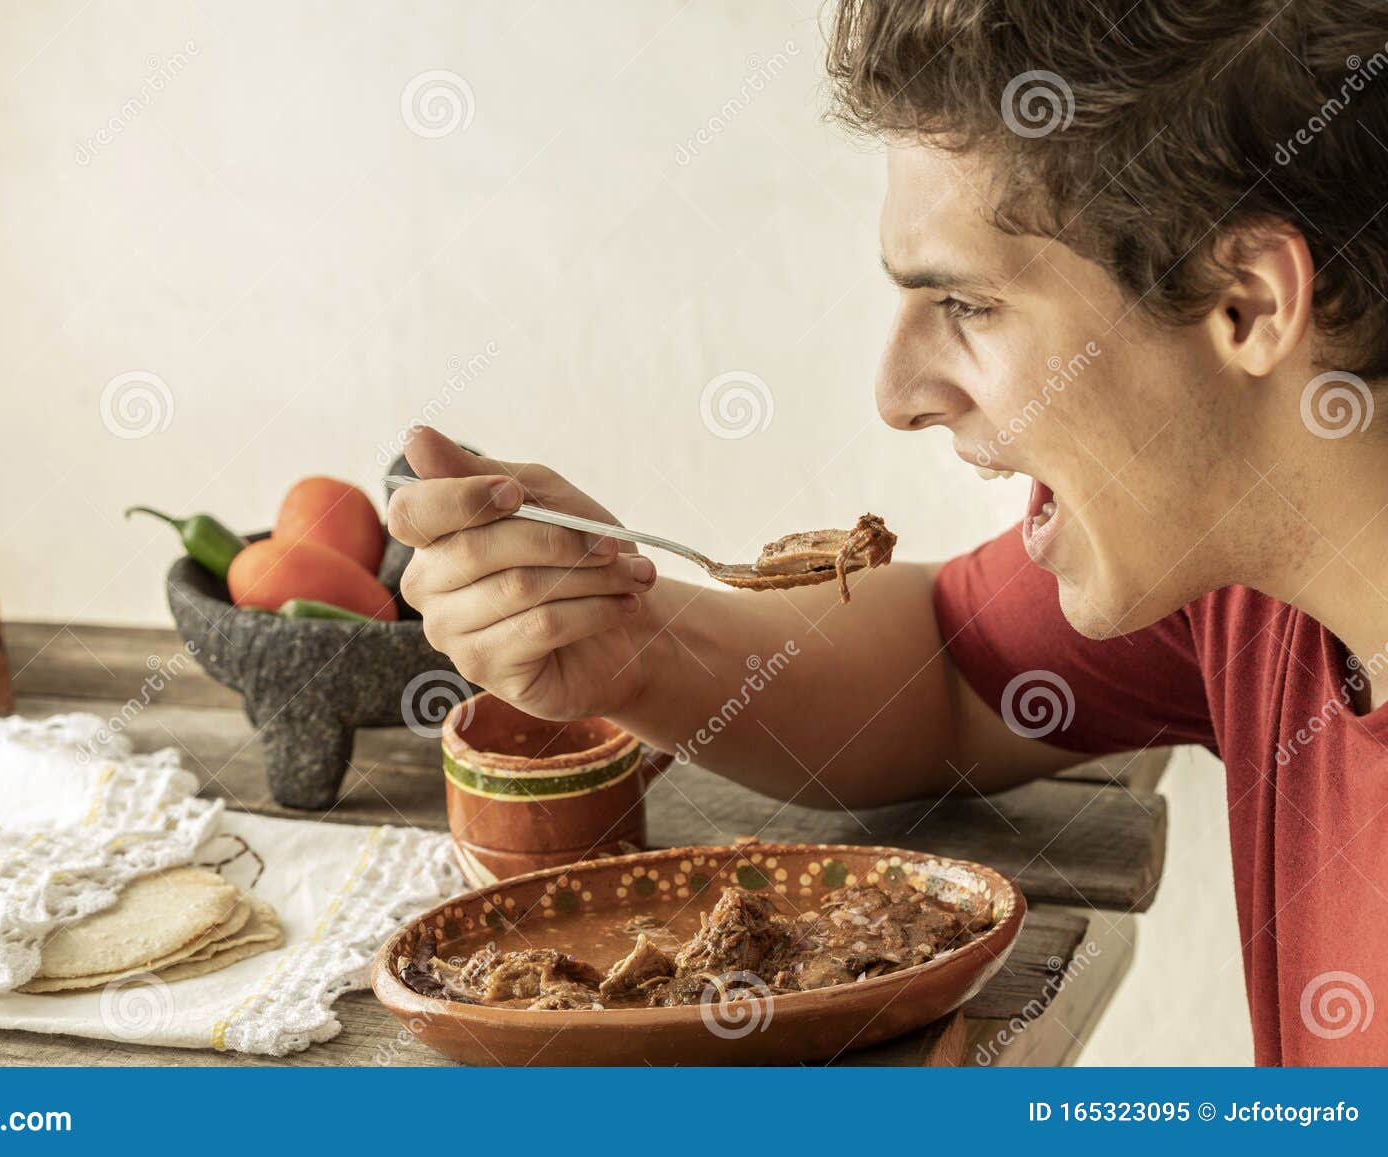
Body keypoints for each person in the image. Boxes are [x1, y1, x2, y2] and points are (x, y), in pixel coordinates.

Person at [386, 0, 1388, 1065]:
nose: (896, 394)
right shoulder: (1248, 576)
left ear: (1245, 303)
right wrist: (634, 641)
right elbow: (951, 672)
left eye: (966, 303)